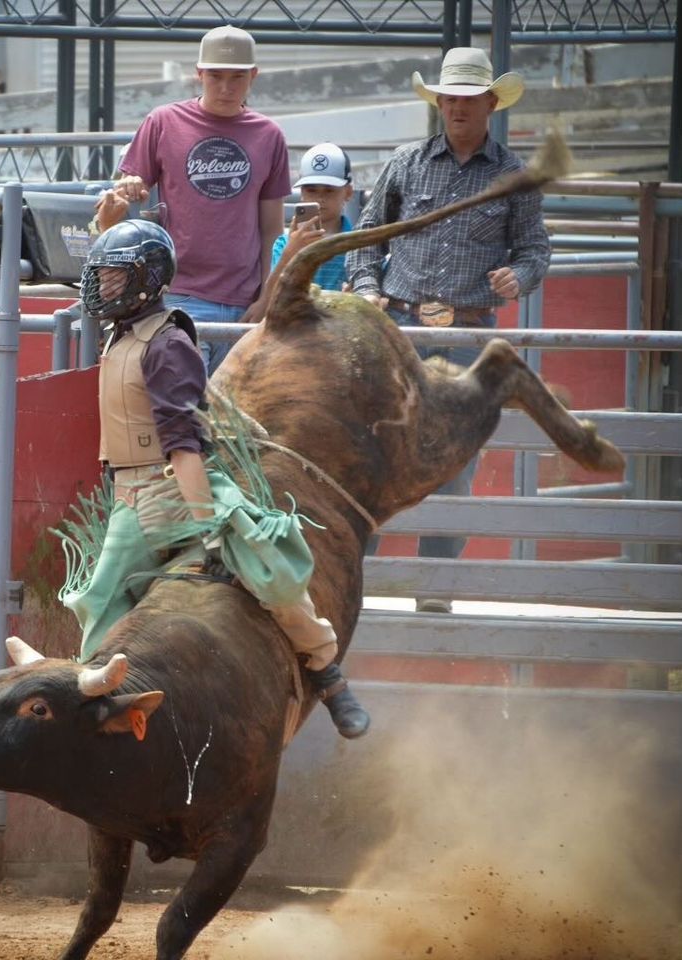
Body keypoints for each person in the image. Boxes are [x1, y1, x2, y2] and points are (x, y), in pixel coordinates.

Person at [62, 218, 369, 739]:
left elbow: (184, 445)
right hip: (132, 499)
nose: (102, 286)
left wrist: (209, 524)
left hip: (182, 488)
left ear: (147, 281)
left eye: (114, 276)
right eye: (102, 275)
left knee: (269, 566)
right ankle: (107, 700)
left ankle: (325, 670)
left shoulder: (166, 344)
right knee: (96, 599)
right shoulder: (121, 336)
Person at [347, 47, 551, 613]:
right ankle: (351, 583)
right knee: (374, 449)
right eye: (450, 98)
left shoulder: (514, 177)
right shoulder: (405, 163)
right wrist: (366, 288)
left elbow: (535, 250)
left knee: (454, 461)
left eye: (469, 99)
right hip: (400, 327)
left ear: (490, 103)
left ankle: (433, 591)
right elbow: (368, 236)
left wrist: (521, 276)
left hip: (467, 331)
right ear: (439, 103)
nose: (458, 107)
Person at [105, 25, 292, 375]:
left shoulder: (269, 136)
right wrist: (127, 188)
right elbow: (121, 196)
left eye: (236, 77)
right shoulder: (163, 122)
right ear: (199, 74)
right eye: (215, 76)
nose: (225, 87)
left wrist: (265, 299)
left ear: (253, 76)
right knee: (189, 413)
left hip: (245, 303)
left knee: (233, 422)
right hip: (180, 294)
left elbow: (271, 229)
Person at [270, 142, 355, 290]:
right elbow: (272, 295)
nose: (320, 198)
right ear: (302, 193)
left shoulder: (359, 243)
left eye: (329, 190)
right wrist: (291, 252)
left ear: (348, 192)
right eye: (311, 190)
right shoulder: (284, 243)